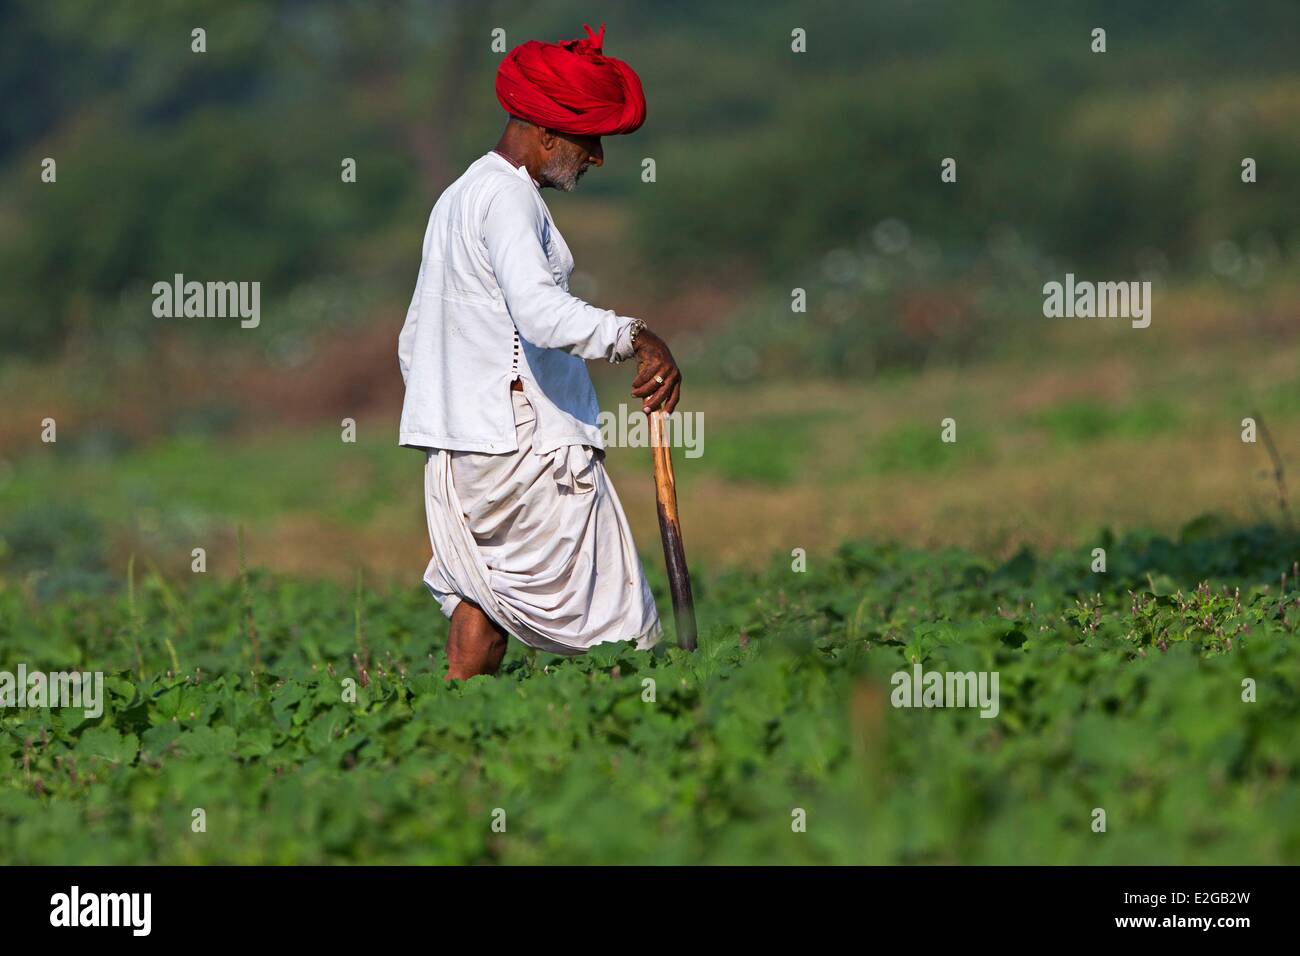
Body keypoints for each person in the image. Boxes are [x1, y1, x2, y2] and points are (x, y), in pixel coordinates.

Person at [397, 23, 682, 679]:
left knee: (484, 599)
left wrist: (455, 420)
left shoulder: (462, 194)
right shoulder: (505, 201)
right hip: (523, 444)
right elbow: (538, 311)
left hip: (471, 443)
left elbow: (417, 334)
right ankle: (641, 745)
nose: (598, 158)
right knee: (621, 623)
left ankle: (453, 740)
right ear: (546, 135)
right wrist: (635, 336)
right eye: (590, 141)